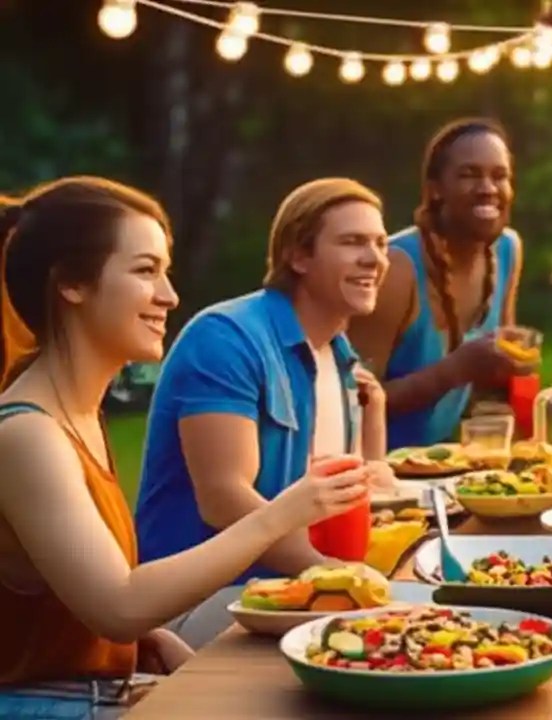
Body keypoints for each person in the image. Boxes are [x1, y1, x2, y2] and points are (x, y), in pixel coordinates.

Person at [0, 177, 370, 717]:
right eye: (146, 271)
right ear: (72, 284)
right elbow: (119, 604)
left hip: (100, 693)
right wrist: (281, 514)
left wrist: (149, 640)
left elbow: (84, 600)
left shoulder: (74, 415)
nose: (170, 295)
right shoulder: (27, 435)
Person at [135, 177, 393, 649]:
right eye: (353, 242)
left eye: (379, 243)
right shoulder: (226, 338)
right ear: (298, 256)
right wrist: (333, 575)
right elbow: (223, 497)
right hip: (201, 605)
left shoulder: (338, 355)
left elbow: (340, 494)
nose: (375, 258)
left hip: (287, 589)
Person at [347, 118, 532, 450]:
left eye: (499, 175)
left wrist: (510, 367)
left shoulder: (506, 250)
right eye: (468, 174)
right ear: (435, 189)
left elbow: (493, 383)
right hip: (375, 471)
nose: (488, 187)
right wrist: (454, 370)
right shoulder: (395, 269)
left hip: (445, 465)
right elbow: (350, 404)